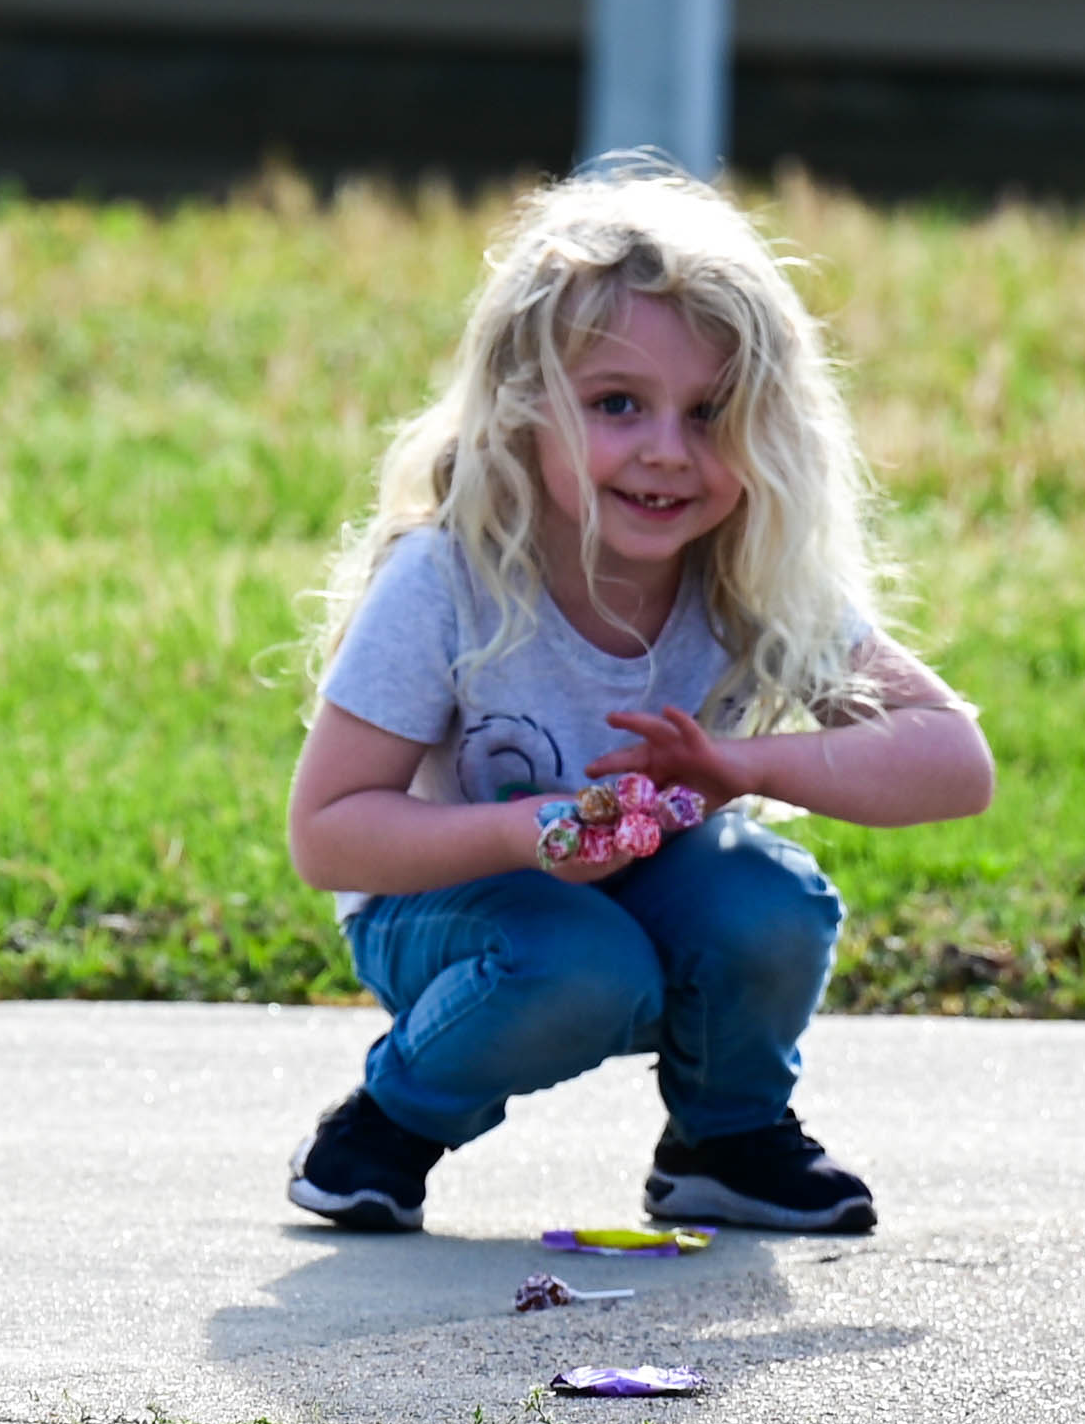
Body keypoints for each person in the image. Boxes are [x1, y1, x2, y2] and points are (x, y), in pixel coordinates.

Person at [283, 164, 992, 1236]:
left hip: (643, 887)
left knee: (767, 904)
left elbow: (953, 761)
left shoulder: (748, 574)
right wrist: (530, 833)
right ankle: (388, 1123)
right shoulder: (448, 580)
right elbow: (329, 834)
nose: (668, 451)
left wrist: (742, 766)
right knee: (583, 965)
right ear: (525, 408)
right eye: (618, 405)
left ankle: (725, 1141)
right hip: (446, 904)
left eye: (712, 414)